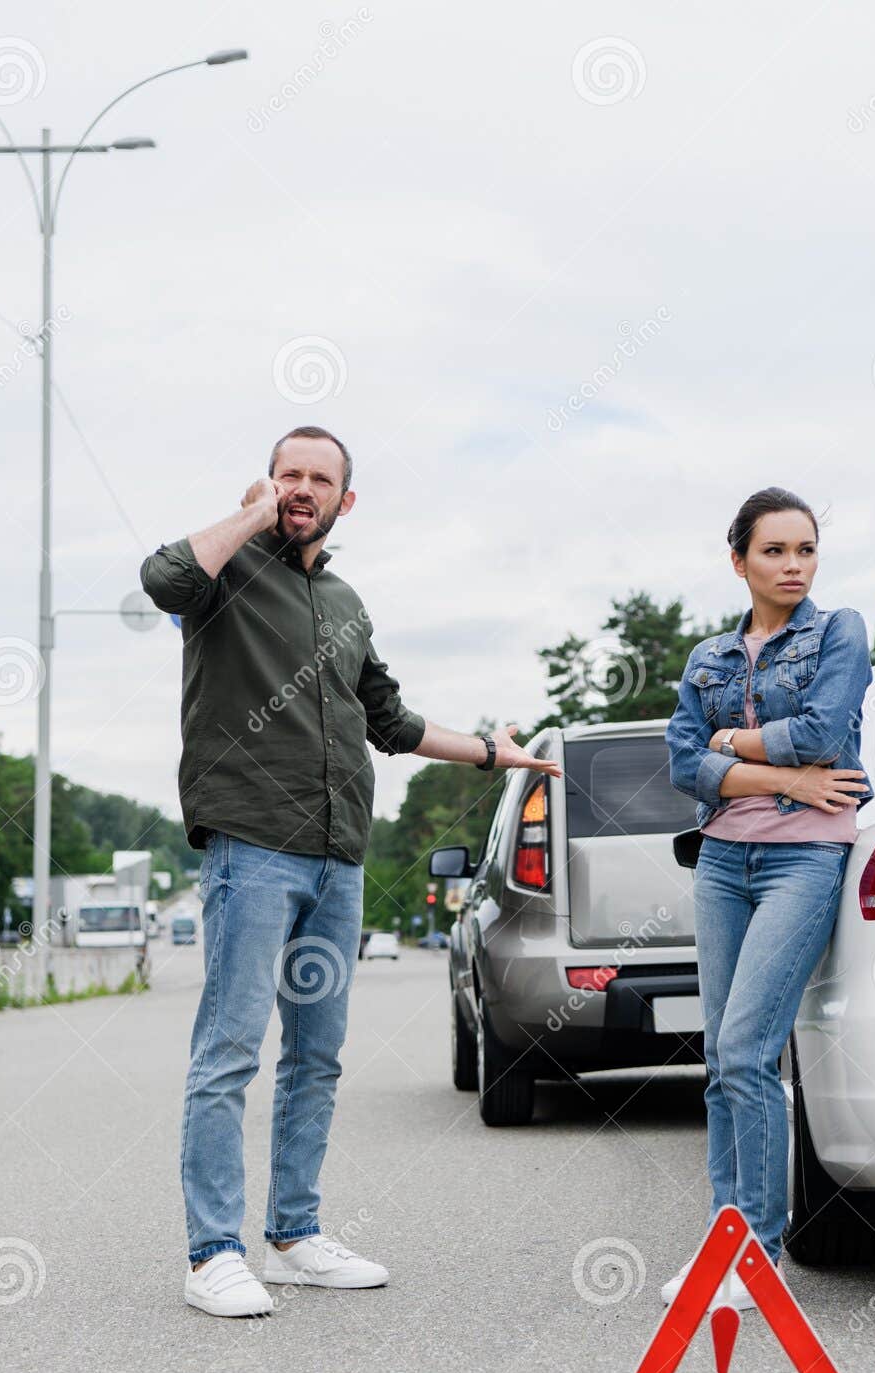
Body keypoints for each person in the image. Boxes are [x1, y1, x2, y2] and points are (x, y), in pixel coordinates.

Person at [140, 425, 561, 1316]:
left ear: (345, 498)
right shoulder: (224, 577)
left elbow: (392, 721)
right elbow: (160, 579)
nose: (301, 488)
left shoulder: (345, 601)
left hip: (338, 858)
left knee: (318, 1056)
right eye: (287, 474)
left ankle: (293, 1234)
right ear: (267, 483)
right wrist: (249, 518)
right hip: (251, 849)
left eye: (317, 478)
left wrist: (494, 752)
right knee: (228, 1052)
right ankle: (212, 1251)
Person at [663, 487, 874, 1308]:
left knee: (749, 1050)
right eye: (775, 551)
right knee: (721, 1059)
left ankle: (755, 1251)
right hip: (721, 860)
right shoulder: (708, 658)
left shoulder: (839, 631)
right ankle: (727, 1240)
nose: (793, 566)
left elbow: (825, 733)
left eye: (806, 550)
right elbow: (683, 765)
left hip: (802, 856)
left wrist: (734, 745)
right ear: (739, 560)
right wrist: (784, 773)